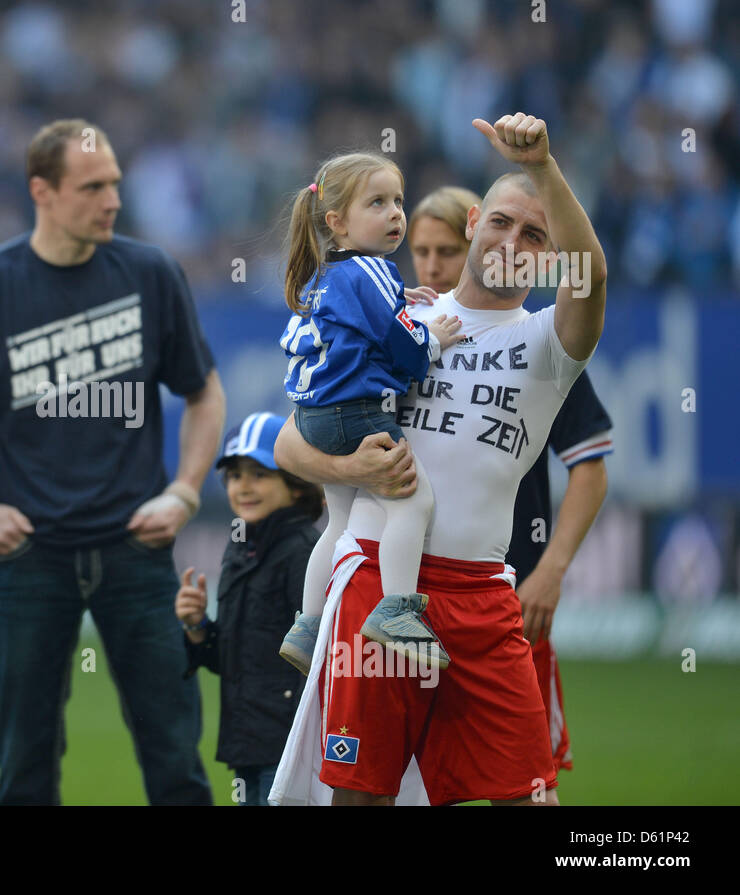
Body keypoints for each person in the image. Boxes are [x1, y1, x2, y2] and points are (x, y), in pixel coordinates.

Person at [270, 113, 608, 806]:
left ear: (549, 258)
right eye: (505, 223)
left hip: (483, 596)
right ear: (476, 221)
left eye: (535, 237)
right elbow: (286, 439)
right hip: (376, 587)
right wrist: (349, 470)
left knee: (527, 794)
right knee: (361, 794)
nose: (514, 242)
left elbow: (593, 274)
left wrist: (543, 167)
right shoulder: (405, 317)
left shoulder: (549, 345)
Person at [0, 118, 224, 806]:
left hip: (137, 548)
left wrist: (186, 492)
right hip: (30, 558)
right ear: (40, 191)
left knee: (176, 760)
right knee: (26, 764)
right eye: (93, 187)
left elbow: (204, 391)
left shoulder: (150, 272)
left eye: (115, 184)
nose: (112, 201)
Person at [409, 185, 613, 777]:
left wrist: (549, 570)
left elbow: (590, 469)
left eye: (442, 249)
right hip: (392, 595)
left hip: (503, 593)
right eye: (419, 251)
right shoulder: (403, 330)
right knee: (392, 782)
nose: (431, 265)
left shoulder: (543, 346)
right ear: (481, 224)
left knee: (529, 782)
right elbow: (309, 436)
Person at [276, 152, 464, 675]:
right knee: (413, 503)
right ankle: (397, 611)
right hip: (358, 412)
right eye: (377, 202)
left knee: (337, 524)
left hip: (313, 418)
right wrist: (435, 338)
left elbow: (357, 316)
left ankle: (307, 626)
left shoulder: (322, 275)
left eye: (399, 201)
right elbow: (403, 346)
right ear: (336, 221)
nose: (395, 213)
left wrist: (395, 297)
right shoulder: (373, 269)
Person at [174, 412, 323, 805]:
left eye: (259, 473)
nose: (244, 486)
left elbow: (324, 658)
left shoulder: (306, 553)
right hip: (249, 745)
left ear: (295, 482)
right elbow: (239, 658)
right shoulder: (240, 550)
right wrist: (198, 628)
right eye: (235, 475)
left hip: (292, 747)